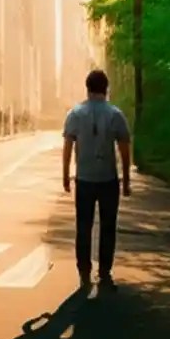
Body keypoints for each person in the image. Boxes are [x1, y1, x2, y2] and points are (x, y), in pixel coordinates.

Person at [62, 69, 132, 290]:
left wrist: (65, 175)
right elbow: (124, 149)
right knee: (108, 226)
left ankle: (84, 271)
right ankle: (104, 271)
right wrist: (126, 180)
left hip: (84, 179)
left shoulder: (75, 113)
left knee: (83, 226)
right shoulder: (115, 114)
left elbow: (67, 147)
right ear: (106, 88)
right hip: (108, 179)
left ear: (87, 88)